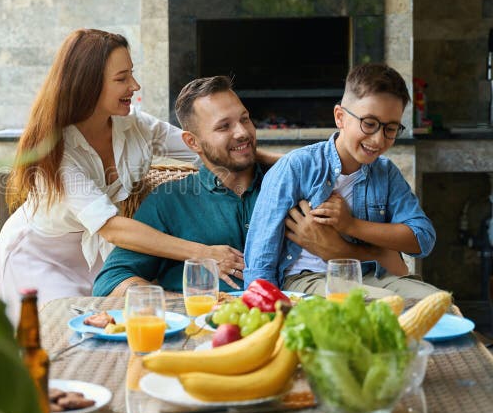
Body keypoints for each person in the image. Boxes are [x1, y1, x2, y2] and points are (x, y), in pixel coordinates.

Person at [0, 30, 252, 320]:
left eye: (132, 74)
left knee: (103, 333)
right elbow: (111, 227)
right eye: (121, 78)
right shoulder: (56, 151)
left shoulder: (134, 125)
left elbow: (208, 149)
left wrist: (287, 163)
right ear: (88, 84)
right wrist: (203, 254)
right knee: (57, 344)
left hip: (95, 258)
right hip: (37, 258)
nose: (134, 85)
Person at [93, 75, 388, 297]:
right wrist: (174, 308)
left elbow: (382, 260)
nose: (243, 132)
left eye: (245, 119)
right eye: (224, 127)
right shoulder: (171, 201)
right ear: (192, 142)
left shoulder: (300, 186)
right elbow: (113, 279)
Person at [243, 63, 440, 299]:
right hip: (307, 279)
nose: (378, 139)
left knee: (439, 304)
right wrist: (264, 310)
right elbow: (260, 256)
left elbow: (423, 238)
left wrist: (350, 225)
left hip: (369, 275)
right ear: (340, 117)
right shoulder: (296, 167)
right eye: (369, 123)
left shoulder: (386, 173)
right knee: (383, 305)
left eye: (391, 128)